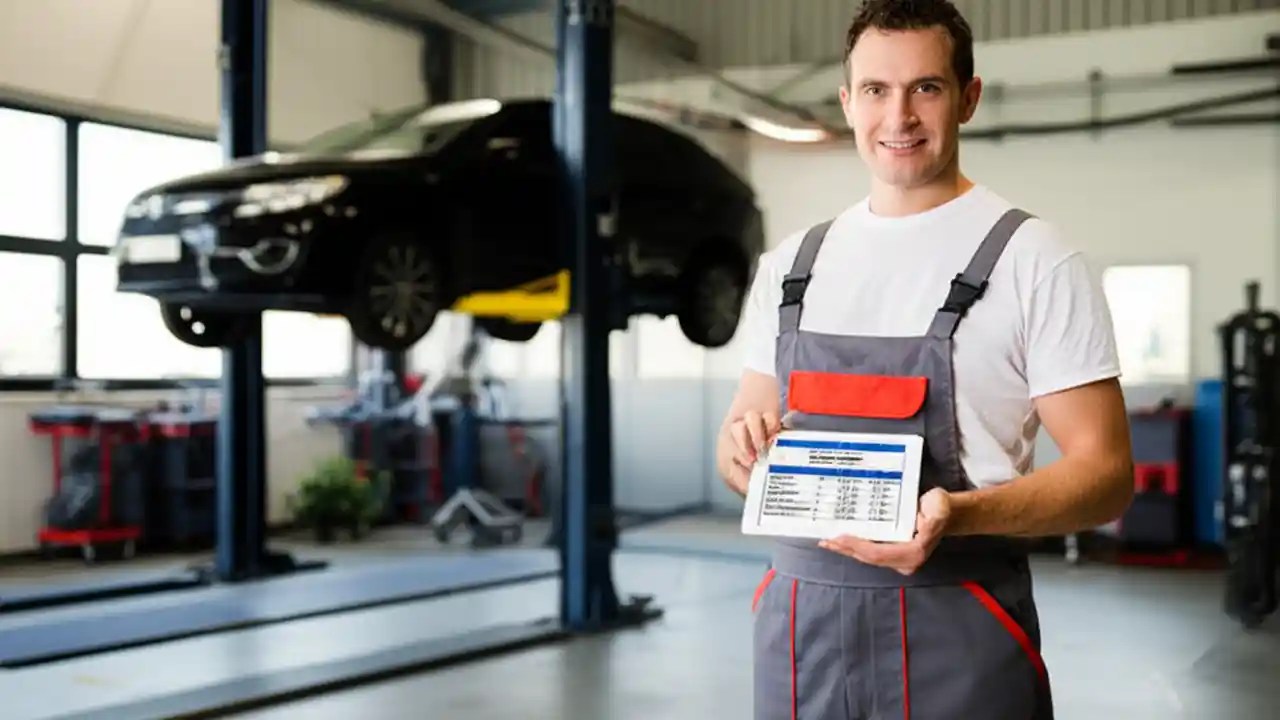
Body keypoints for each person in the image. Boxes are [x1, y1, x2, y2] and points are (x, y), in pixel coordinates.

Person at [715, 1, 1135, 718]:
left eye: (927, 88)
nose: (899, 115)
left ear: (968, 97)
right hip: (798, 627)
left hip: (958, 620)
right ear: (848, 103)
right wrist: (739, 450)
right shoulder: (792, 267)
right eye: (876, 90)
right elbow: (739, 452)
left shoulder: (1033, 259)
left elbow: (1107, 475)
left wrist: (961, 514)